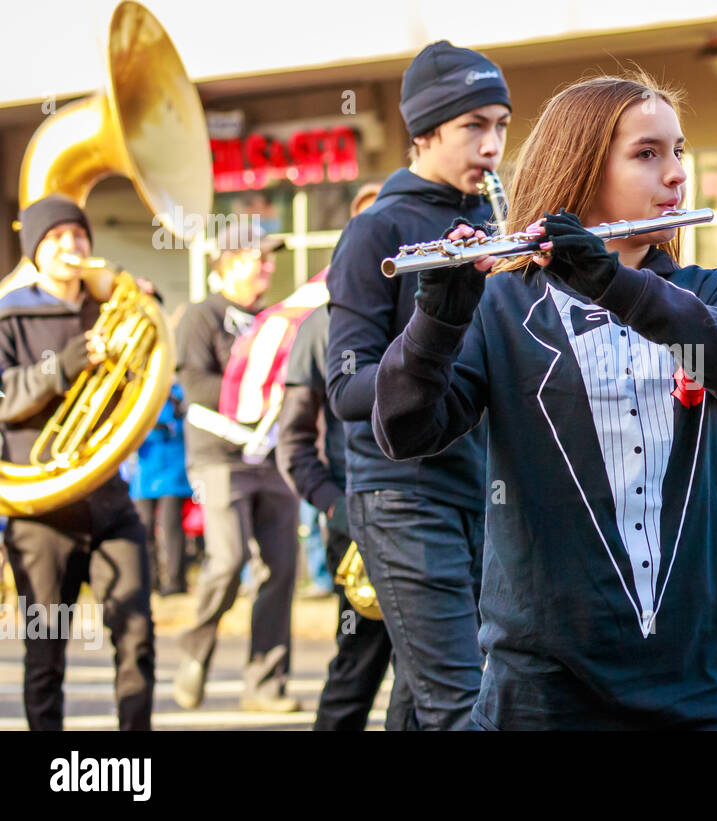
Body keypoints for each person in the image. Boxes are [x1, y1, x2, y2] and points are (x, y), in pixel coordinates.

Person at [372, 72, 717, 730]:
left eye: (680, 151)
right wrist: (436, 322)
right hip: (544, 689)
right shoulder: (505, 306)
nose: (675, 174)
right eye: (647, 153)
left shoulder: (715, 292)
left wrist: (615, 283)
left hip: (697, 677)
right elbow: (404, 430)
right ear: (581, 168)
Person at [326, 41, 510, 730]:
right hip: (402, 493)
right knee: (462, 701)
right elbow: (345, 390)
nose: (492, 145)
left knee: (421, 698)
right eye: (474, 126)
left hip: (481, 490)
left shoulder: (497, 226)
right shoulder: (377, 229)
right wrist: (430, 351)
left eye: (500, 125)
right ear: (424, 132)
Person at [0, 194, 155, 730]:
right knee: (46, 655)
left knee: (137, 636)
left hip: (110, 501)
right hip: (41, 511)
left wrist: (144, 328)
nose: (72, 246)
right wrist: (59, 368)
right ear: (36, 251)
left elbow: (141, 390)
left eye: (79, 235)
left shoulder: (109, 310)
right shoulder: (10, 312)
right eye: (58, 238)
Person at [276, 183, 410, 731]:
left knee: (425, 681)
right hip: (358, 523)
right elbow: (292, 443)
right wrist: (335, 508)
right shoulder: (318, 327)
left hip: (435, 515)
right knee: (357, 670)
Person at [172, 221, 302, 714]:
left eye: (271, 257)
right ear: (227, 263)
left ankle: (265, 684)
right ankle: (195, 652)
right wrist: (255, 391)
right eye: (258, 256)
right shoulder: (200, 316)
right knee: (227, 562)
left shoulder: (276, 318)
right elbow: (196, 386)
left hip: (270, 456)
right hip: (218, 457)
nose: (268, 265)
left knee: (282, 568)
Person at [127, 382, 193, 596]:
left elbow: (186, 424)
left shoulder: (178, 393)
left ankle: (175, 582)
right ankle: (149, 580)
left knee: (170, 526)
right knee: (142, 527)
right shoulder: (139, 390)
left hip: (172, 470)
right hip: (145, 473)